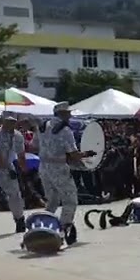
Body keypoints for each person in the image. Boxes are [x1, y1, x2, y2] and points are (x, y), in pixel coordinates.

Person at [36, 102, 95, 246]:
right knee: (70, 201)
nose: (70, 116)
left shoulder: (42, 126)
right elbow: (74, 154)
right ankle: (62, 230)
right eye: (68, 113)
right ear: (62, 114)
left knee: (52, 201)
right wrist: (87, 154)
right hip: (58, 168)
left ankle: (41, 227)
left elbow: (34, 145)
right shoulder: (64, 129)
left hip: (43, 167)